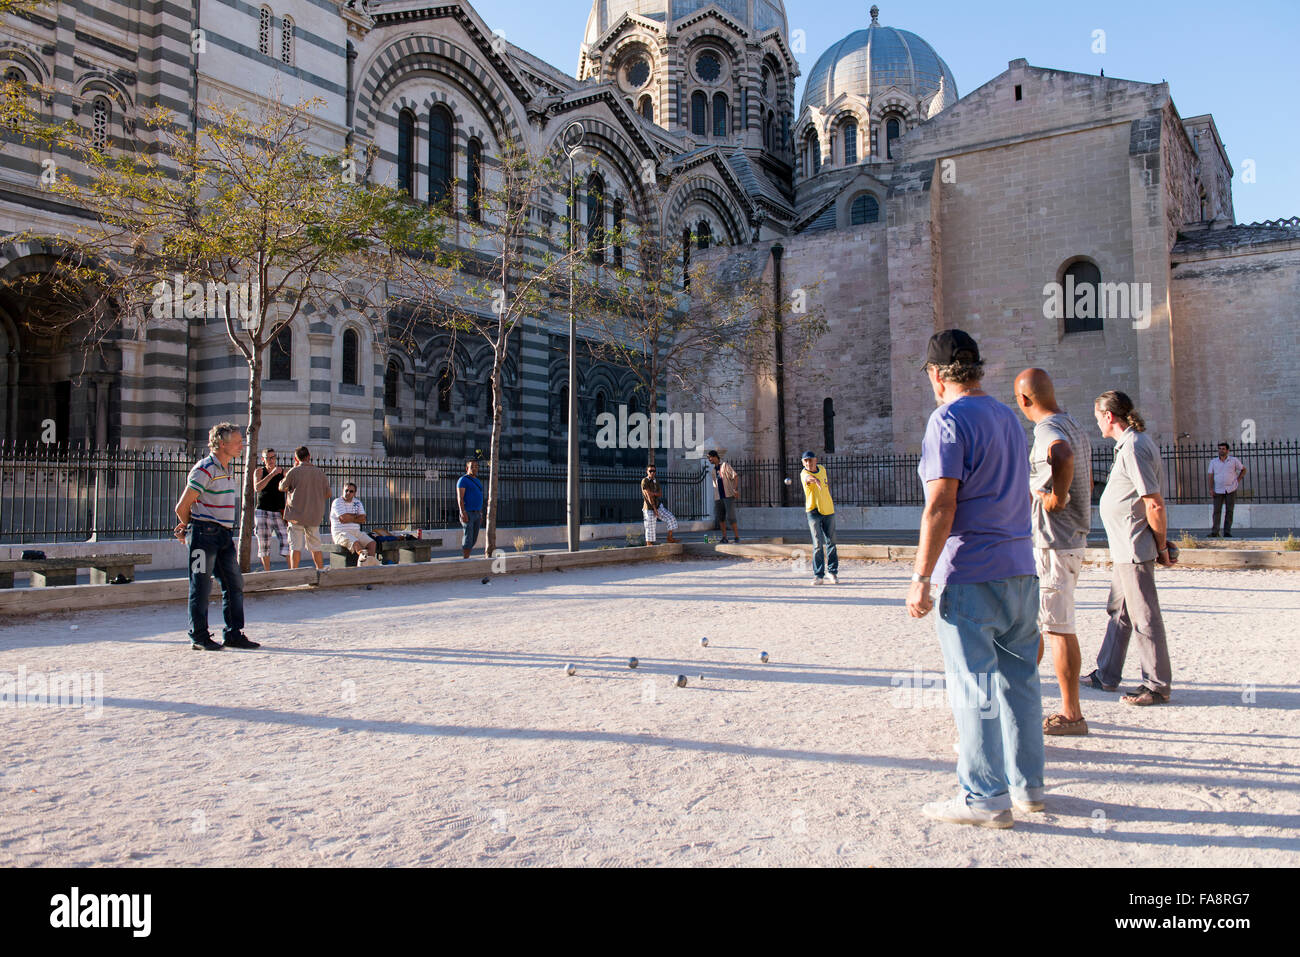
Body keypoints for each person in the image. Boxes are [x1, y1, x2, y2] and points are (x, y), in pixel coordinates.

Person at [908, 330, 1042, 829]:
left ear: (937, 374)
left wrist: (921, 576)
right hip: (1020, 568)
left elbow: (941, 504)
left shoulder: (946, 420)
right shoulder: (1009, 417)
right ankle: (1028, 786)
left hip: (972, 570)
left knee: (974, 687)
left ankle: (983, 796)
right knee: (1020, 682)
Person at [1013, 368, 1093, 736]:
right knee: (1044, 625)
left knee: (1058, 628)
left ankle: (1071, 714)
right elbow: (1085, 474)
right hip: (1069, 539)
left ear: (1024, 400)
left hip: (1055, 541)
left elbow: (1062, 455)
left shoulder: (1047, 430)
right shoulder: (1074, 423)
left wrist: (1057, 499)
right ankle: (1029, 701)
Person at [1086, 391, 1175, 706]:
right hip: (1125, 546)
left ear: (1109, 416)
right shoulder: (1130, 445)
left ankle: (1156, 685)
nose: (1097, 422)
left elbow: (1153, 502)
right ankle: (1107, 673)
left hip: (1134, 545)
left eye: (1098, 416)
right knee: (1120, 612)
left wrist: (1161, 545)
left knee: (1144, 617)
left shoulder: (1135, 447)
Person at [174, 423, 259, 651]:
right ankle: (199, 635)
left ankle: (233, 633)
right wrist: (190, 528)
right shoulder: (205, 469)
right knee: (200, 586)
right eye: (238, 442)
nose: (242, 445)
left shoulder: (225, 468)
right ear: (223, 444)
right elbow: (182, 506)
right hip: (204, 536)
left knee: (234, 584)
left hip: (222, 536)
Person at [279, 446, 331, 571]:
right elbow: (328, 493)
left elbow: (282, 487)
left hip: (296, 515)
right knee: (315, 546)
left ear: (296, 458)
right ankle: (320, 571)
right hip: (314, 515)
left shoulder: (294, 471)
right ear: (309, 456)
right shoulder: (320, 473)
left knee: (295, 547)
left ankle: (294, 574)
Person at [800, 451, 838, 585]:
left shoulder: (822, 469)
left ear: (816, 460)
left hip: (828, 509)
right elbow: (807, 478)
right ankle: (818, 575)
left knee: (831, 542)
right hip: (813, 511)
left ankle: (832, 572)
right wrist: (814, 480)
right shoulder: (804, 474)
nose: (808, 463)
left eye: (810, 460)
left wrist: (818, 478)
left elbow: (820, 474)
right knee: (817, 544)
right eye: (805, 461)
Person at [252, 447, 291, 572]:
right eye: (268, 458)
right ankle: (267, 571)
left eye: (273, 457)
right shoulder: (259, 471)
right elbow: (257, 488)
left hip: (278, 511)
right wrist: (272, 474)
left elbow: (291, 481)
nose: (271, 460)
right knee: (264, 543)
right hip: (262, 511)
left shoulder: (282, 471)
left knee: (287, 540)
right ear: (263, 459)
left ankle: (292, 571)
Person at [330, 482, 379, 565]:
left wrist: (349, 517)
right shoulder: (337, 502)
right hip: (341, 533)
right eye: (346, 490)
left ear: (355, 493)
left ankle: (369, 565)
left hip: (356, 532)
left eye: (351, 491)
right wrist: (356, 517)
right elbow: (343, 518)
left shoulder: (358, 503)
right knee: (356, 543)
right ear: (343, 491)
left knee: (372, 543)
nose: (348, 493)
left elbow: (363, 519)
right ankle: (363, 563)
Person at [1207, 442, 1246, 538]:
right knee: (1217, 511)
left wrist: (1238, 480)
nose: (1221, 450)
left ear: (1227, 450)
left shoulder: (1233, 460)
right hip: (1218, 490)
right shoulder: (1213, 462)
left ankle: (1227, 532)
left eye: (1223, 449)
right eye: (1220, 448)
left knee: (1229, 511)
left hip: (1231, 489)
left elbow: (1243, 469)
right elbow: (1210, 475)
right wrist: (1211, 488)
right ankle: (1215, 532)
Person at [705, 450, 740, 543]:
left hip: (728, 495)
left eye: (710, 457)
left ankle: (737, 537)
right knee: (721, 517)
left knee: (731, 517)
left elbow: (735, 476)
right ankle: (725, 537)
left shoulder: (725, 466)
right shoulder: (713, 471)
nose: (709, 459)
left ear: (715, 456)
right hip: (718, 497)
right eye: (708, 458)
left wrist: (735, 489)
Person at [640, 464, 677, 545]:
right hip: (649, 508)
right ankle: (649, 544)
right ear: (647, 471)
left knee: (671, 518)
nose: (652, 472)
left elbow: (660, 494)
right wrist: (655, 509)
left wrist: (653, 493)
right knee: (650, 527)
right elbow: (648, 496)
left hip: (658, 505)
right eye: (650, 471)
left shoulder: (656, 481)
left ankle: (670, 538)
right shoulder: (645, 481)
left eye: (654, 471)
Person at [457, 460, 484, 559]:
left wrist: (480, 513)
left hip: (477, 513)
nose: (475, 468)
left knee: (474, 538)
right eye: (472, 466)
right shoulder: (463, 480)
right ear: (467, 468)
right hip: (468, 512)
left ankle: (467, 556)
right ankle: (466, 558)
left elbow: (479, 497)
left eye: (476, 466)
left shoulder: (477, 481)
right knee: (468, 537)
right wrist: (463, 512)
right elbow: (460, 498)